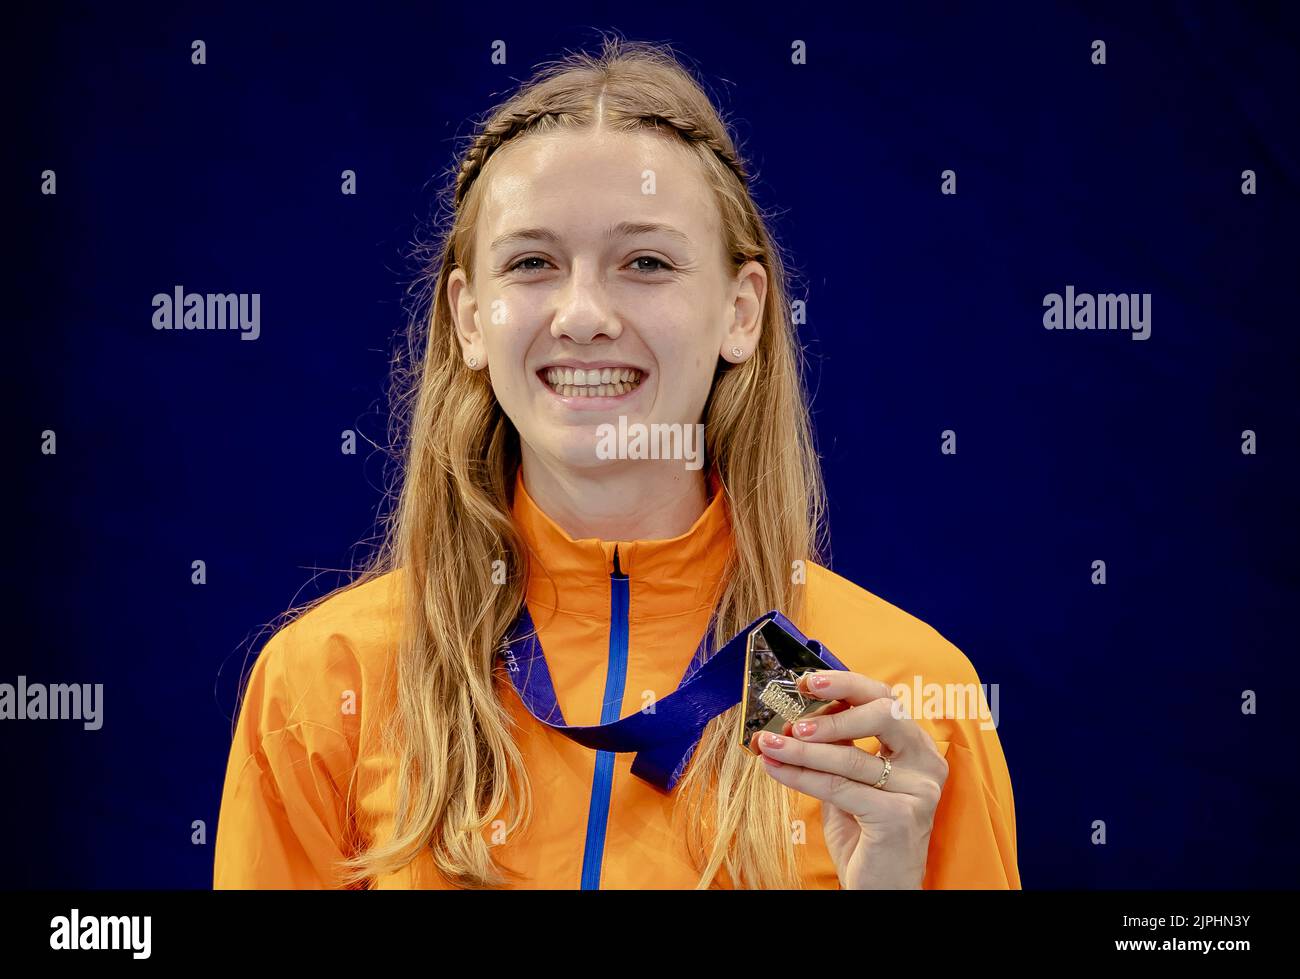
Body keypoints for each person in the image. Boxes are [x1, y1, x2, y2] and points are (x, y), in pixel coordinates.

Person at [212, 36, 1020, 890]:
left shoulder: (895, 696)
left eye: (646, 263)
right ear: (470, 317)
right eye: (532, 262)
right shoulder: (323, 684)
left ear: (741, 312)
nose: (585, 314)